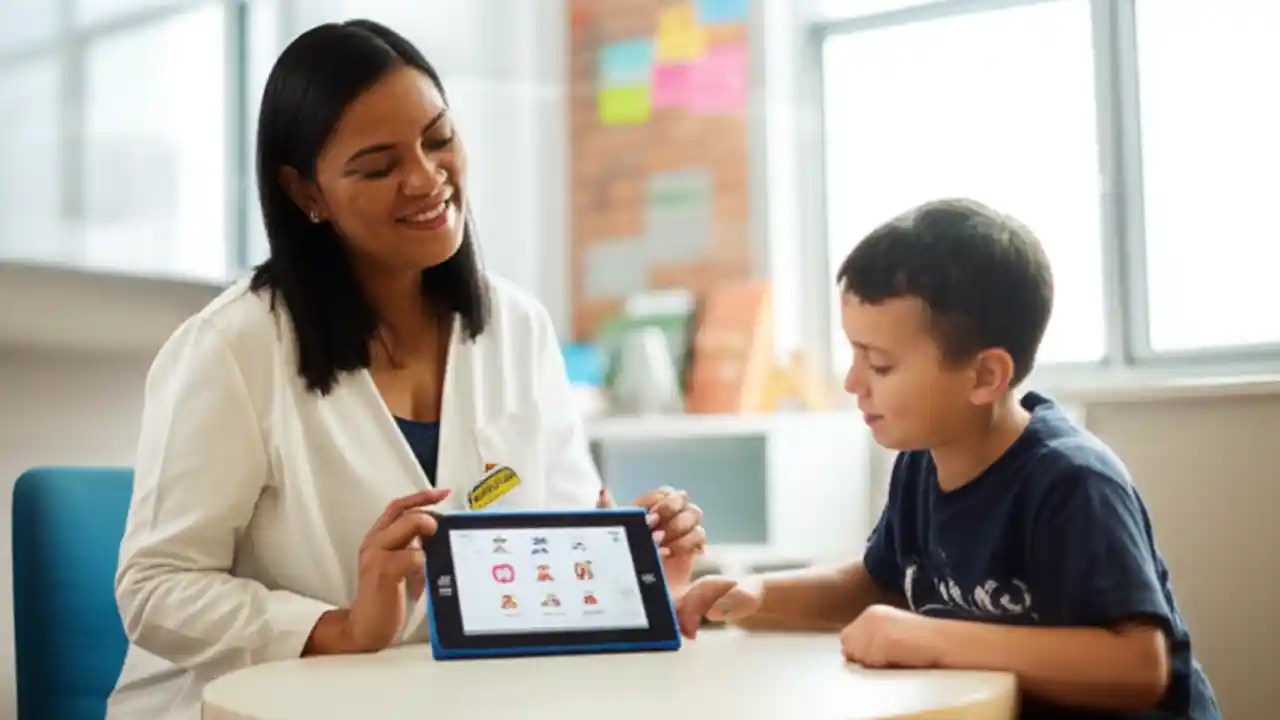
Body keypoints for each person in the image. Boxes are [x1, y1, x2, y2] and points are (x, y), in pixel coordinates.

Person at [108, 20, 706, 719]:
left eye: (439, 138)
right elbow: (155, 588)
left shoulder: (517, 328)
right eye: (378, 165)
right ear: (307, 192)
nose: (426, 178)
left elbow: (554, 543)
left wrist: (630, 574)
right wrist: (342, 627)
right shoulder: (230, 349)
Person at [676, 199, 1219, 719]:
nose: (852, 382)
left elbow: (1138, 668)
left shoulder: (1072, 482)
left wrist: (932, 639)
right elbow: (883, 584)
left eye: (881, 365)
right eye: (854, 354)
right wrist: (762, 595)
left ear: (984, 377)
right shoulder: (921, 462)